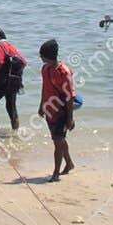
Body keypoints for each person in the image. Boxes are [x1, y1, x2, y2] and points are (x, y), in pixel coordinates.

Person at [37, 39, 77, 182]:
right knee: (58, 140)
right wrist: (41, 105)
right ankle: (69, 163)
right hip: (49, 111)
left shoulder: (64, 72)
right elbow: (44, 87)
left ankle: (56, 173)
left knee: (58, 142)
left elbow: (70, 97)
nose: (40, 58)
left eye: (41, 55)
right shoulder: (45, 69)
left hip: (61, 111)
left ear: (48, 56)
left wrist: (70, 118)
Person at [0, 27, 26, 135]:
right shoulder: (10, 46)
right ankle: (16, 132)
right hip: (13, 82)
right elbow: (24, 62)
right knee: (11, 107)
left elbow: (0, 62)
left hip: (2, 82)